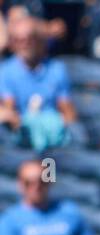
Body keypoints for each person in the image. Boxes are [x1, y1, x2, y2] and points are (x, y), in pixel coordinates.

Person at [0, 160, 100, 235]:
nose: (36, 187)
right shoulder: (9, 220)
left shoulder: (69, 211)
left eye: (41, 181)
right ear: (20, 185)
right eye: (28, 182)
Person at [0, 15, 75, 148]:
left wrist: (52, 125)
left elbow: (68, 112)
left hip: (53, 139)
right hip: (20, 138)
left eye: (30, 39)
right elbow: (9, 110)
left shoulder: (57, 70)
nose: (25, 44)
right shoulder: (5, 71)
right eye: (19, 40)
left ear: (40, 41)